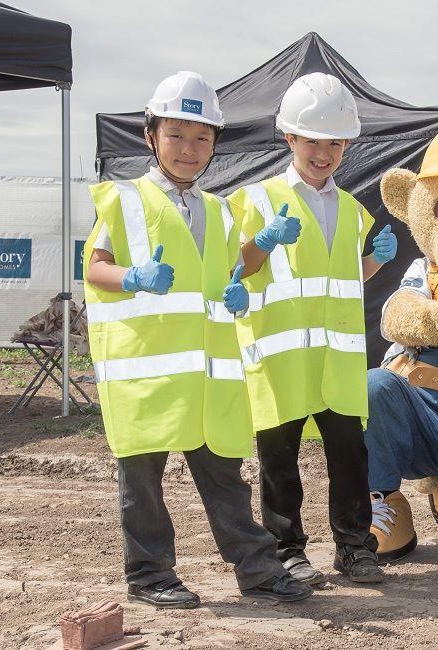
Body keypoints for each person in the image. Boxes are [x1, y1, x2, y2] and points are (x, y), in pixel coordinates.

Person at [83, 71, 311, 608]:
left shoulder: (216, 209)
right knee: (142, 482)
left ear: (215, 144)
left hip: (208, 375)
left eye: (202, 137)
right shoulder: (126, 201)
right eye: (176, 135)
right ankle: (149, 575)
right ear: (150, 137)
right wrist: (133, 278)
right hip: (148, 371)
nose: (189, 149)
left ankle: (257, 569)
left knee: (227, 480)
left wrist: (263, 246)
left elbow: (236, 269)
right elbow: (95, 268)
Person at [223, 72, 397, 587]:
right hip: (281, 360)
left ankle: (353, 547)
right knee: (280, 463)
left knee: (351, 460)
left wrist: (375, 264)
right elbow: (238, 269)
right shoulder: (255, 202)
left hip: (337, 362)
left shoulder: (351, 209)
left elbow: (343, 279)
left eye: (336, 143)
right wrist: (265, 240)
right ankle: (287, 549)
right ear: (290, 139)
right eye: (314, 141)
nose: (325, 153)